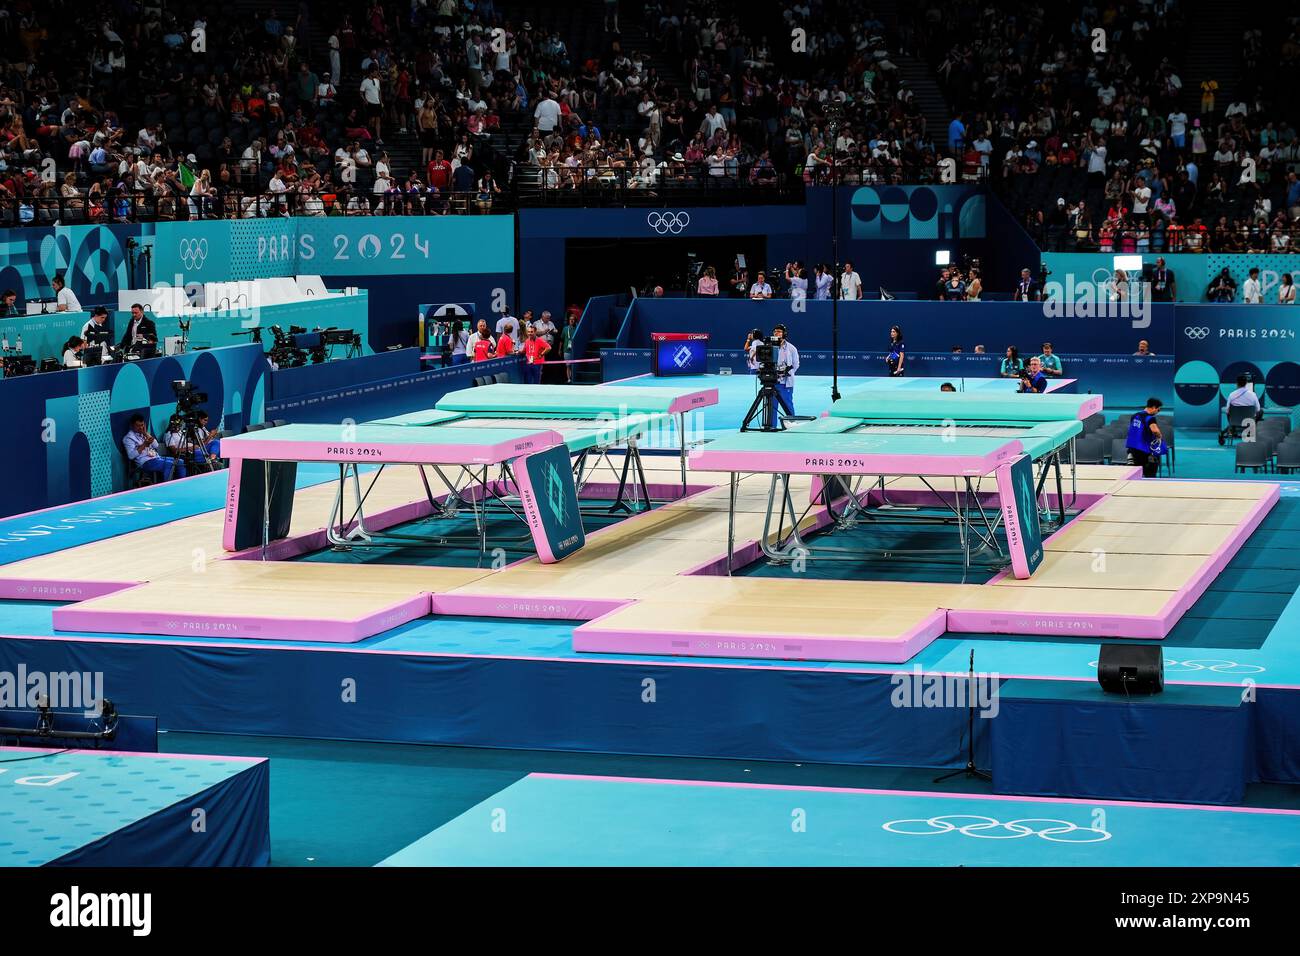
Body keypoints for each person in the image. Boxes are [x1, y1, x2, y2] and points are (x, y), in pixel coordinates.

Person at [123, 413, 187, 481]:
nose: (141, 428)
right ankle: (167, 486)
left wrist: (145, 433)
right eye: (138, 426)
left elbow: (156, 445)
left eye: (142, 425)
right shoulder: (128, 438)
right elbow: (131, 456)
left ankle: (181, 483)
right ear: (132, 426)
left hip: (156, 458)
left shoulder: (144, 433)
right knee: (169, 464)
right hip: (145, 462)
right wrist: (144, 445)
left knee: (180, 462)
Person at [1125, 398, 1166, 478]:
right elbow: (1155, 431)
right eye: (1158, 410)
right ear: (1153, 407)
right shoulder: (1150, 418)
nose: (1158, 412)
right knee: (1149, 474)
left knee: (1136, 474)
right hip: (1144, 450)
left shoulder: (1135, 416)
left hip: (1133, 448)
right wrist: (1159, 436)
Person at [561, 311, 579, 382]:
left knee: (574, 365)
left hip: (575, 351)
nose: (571, 321)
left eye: (573, 319)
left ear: (575, 321)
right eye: (570, 319)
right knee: (568, 365)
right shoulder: (565, 328)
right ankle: (569, 379)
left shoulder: (578, 328)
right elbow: (561, 340)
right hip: (567, 350)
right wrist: (559, 349)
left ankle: (574, 378)